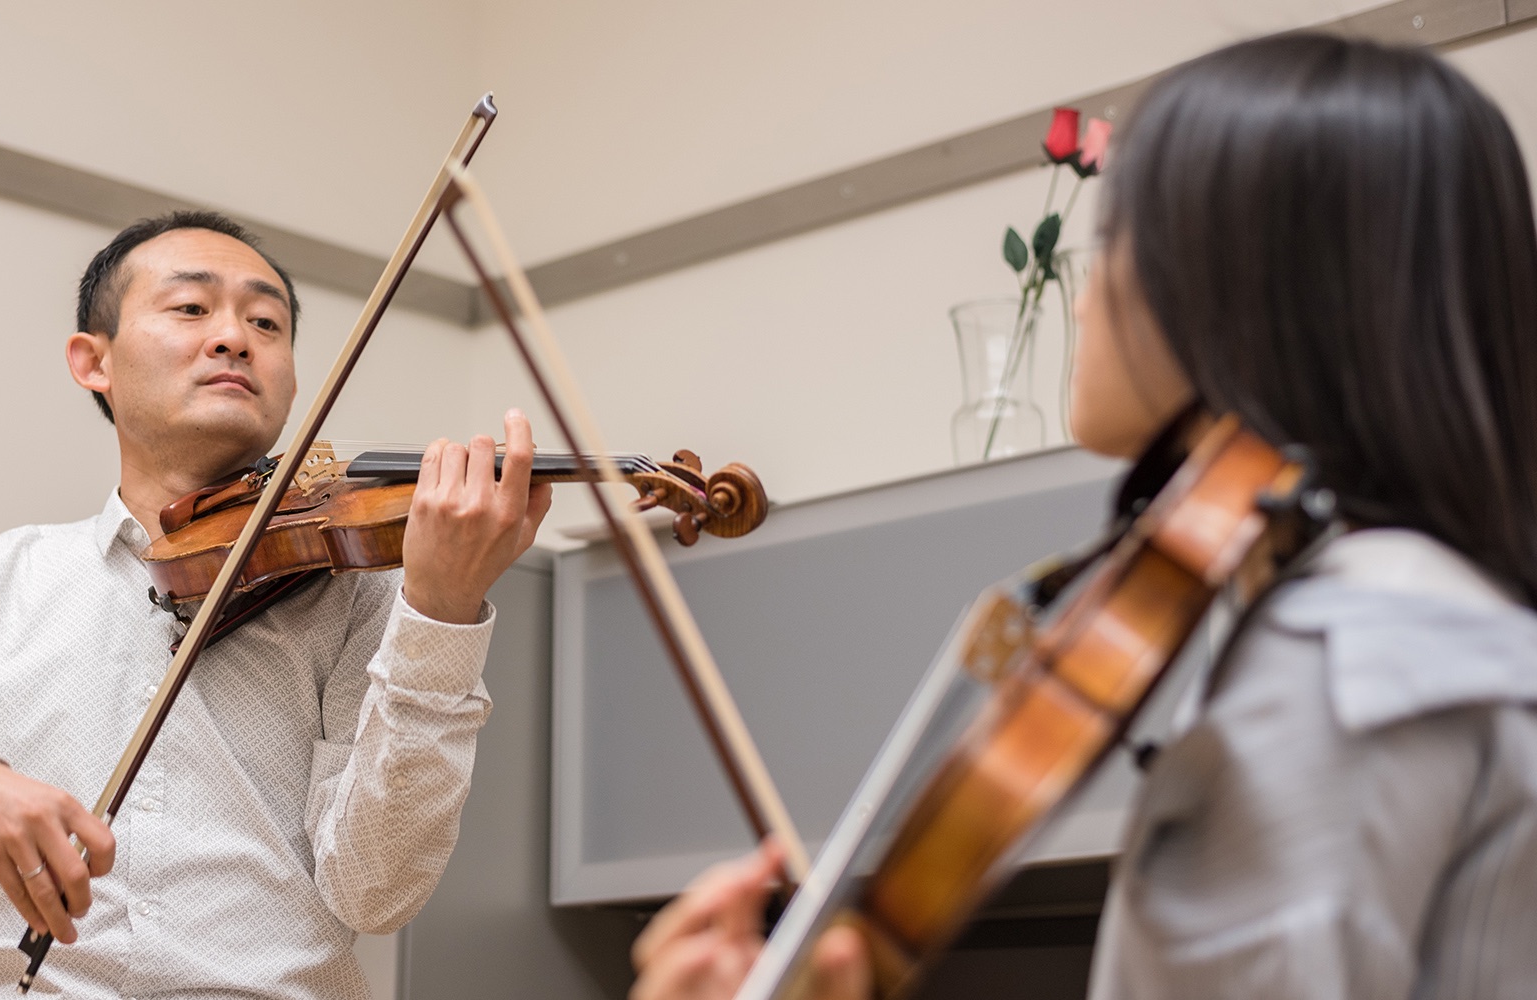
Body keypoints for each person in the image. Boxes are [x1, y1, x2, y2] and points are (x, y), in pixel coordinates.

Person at [631, 33, 1537, 1000]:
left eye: (1113, 238)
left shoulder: (1339, 668)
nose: (1085, 295)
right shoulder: (1449, 628)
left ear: (1234, 290)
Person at [0, 210, 553, 999]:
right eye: (191, 308)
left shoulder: (360, 592)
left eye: (267, 325)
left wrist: (441, 612)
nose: (234, 336)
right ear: (94, 361)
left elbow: (377, 891)